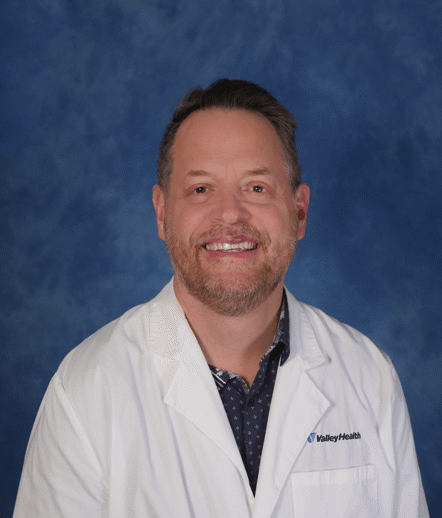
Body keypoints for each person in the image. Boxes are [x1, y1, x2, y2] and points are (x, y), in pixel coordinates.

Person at [14, 79, 429, 518]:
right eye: (201, 189)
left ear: (299, 211)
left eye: (256, 187)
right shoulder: (85, 392)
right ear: (161, 213)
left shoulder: (370, 377)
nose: (230, 213)